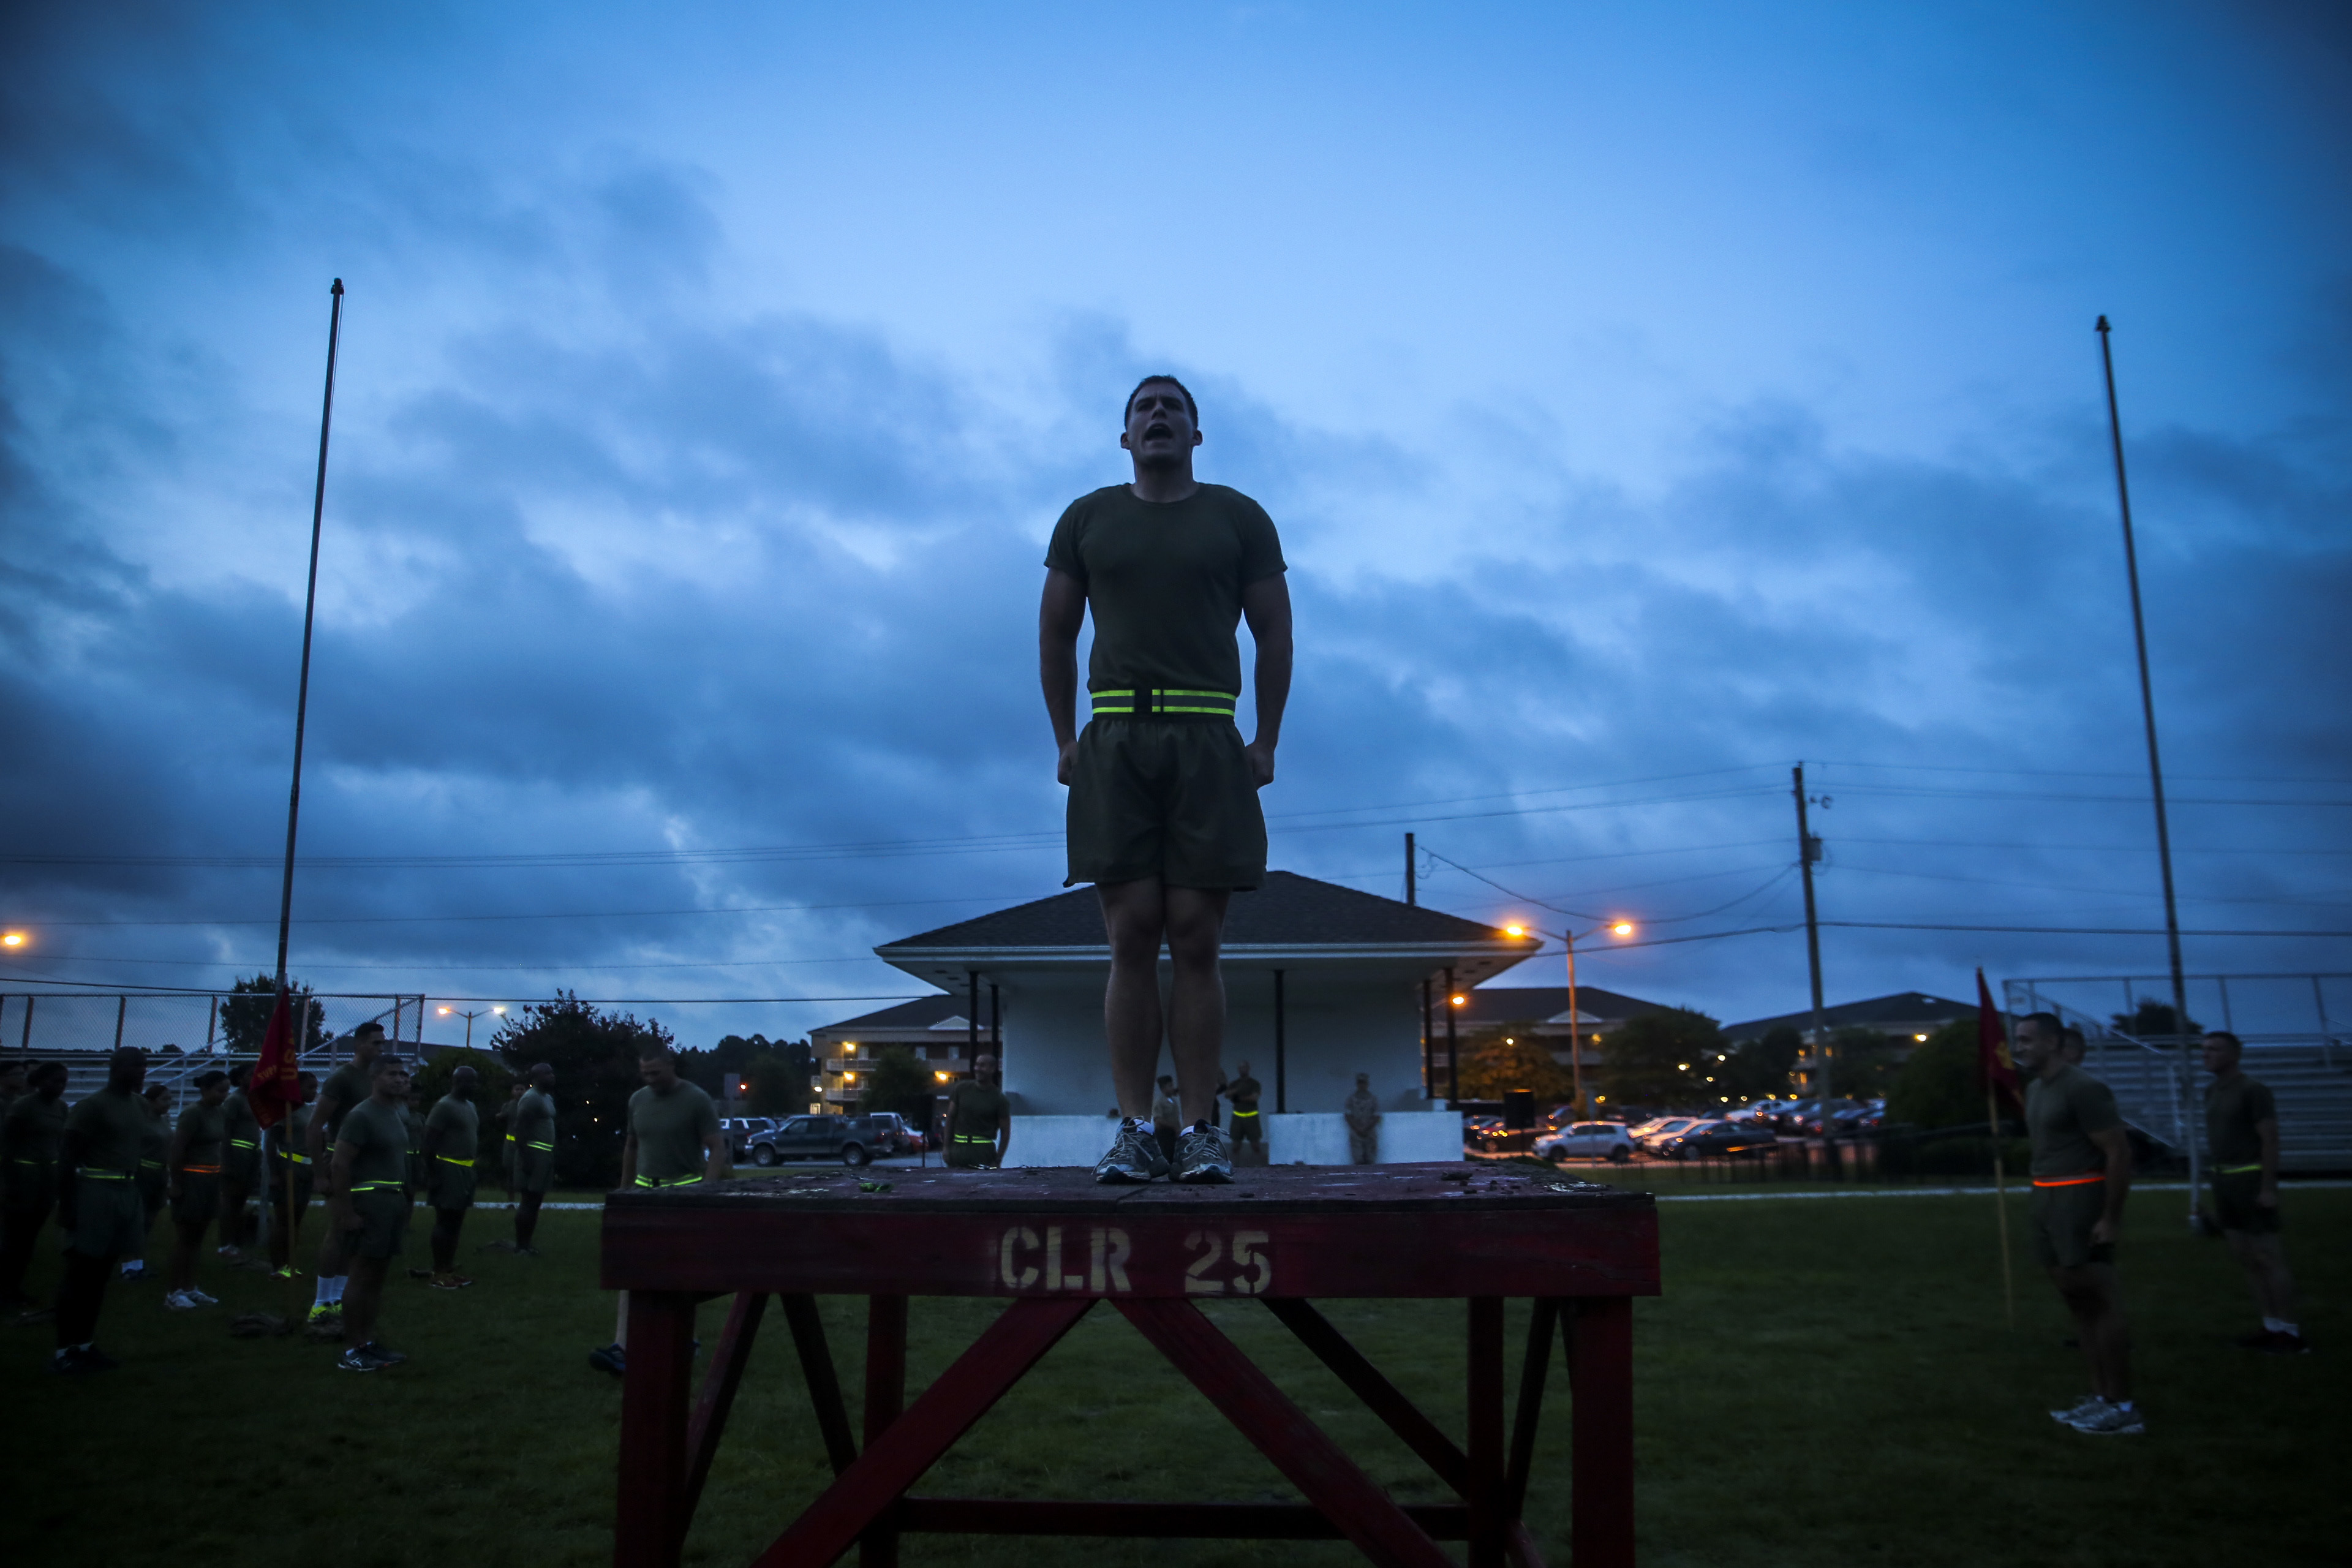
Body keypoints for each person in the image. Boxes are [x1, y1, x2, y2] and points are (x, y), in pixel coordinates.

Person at [1039, 374, 1291, 1187]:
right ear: (1125, 438)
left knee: (1198, 936)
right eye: (1143, 408)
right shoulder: (1087, 517)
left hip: (1207, 737)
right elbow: (1054, 631)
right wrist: (1065, 737)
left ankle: (1200, 1129)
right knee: (1130, 933)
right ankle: (1136, 1128)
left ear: (1195, 434)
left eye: (1173, 408)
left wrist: (1266, 740)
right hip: (1114, 734)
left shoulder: (1238, 517)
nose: (1158, 416)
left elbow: (1275, 631)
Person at [2013, 1011, 2139, 1435]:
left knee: (2100, 1300)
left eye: (2028, 1040)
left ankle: (2122, 1405)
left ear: (2053, 1042)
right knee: (2077, 1303)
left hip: (2080, 1198)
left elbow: (2118, 1152)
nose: (2020, 1047)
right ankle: (2099, 1395)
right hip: (2046, 1197)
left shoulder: (2084, 1088)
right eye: (2018, 1039)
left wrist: (2110, 1217)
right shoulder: (2034, 1089)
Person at [590, 1041, 728, 1375]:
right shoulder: (637, 1101)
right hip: (643, 1196)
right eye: (644, 1074)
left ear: (671, 1067)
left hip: (683, 1197)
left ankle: (686, 1339)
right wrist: (624, 1190)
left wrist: (705, 1193)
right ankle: (622, 1346)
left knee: (680, 1272)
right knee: (630, 1271)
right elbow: (632, 1146)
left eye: (655, 1073)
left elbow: (717, 1148)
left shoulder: (696, 1099)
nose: (650, 1079)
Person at [2202, 1030, 2304, 1353]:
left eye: (2214, 1049)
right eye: (2204, 1049)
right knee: (2246, 1257)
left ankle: (2290, 1331)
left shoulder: (2253, 1090)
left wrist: (2268, 1187)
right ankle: (2270, 1324)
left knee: (2267, 1256)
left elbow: (2269, 1139)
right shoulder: (2212, 1091)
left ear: (2234, 1055)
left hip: (2250, 1179)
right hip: (2224, 1181)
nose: (2206, 1054)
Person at [51, 1046, 150, 1373]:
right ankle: (63, 1351)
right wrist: (67, 1206)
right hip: (95, 1191)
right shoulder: (92, 1106)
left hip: (126, 1189)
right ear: (115, 1068)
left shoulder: (140, 1105)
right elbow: (67, 1158)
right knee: (80, 1274)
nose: (141, 1073)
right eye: (135, 1067)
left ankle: (85, 1344)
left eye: (144, 1067)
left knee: (101, 1276)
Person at [328, 1052, 416, 1372]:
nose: (399, 1079)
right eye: (391, 1074)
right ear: (375, 1078)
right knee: (361, 1275)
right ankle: (352, 1349)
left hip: (391, 1200)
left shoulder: (394, 1113)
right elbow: (340, 1164)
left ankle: (368, 1342)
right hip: (368, 1200)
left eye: (402, 1074)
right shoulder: (361, 1115)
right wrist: (346, 1213)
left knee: (377, 1278)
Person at [306, 1020, 386, 1328]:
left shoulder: (374, 1079)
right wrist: (319, 1174)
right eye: (375, 1044)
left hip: (368, 1168)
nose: (381, 1049)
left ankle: (339, 1298)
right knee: (339, 1232)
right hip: (343, 1165)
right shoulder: (342, 1078)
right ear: (359, 1045)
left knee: (356, 1236)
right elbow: (315, 1126)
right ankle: (321, 1302)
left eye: (383, 1044)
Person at [0, 1061, 69, 1311]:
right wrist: (10, 1181)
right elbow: (7, 1146)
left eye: (63, 1082)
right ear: (40, 1082)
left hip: (46, 1181)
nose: (59, 1087)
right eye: (55, 1081)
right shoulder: (23, 1106)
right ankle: (5, 1290)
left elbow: (61, 1144)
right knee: (13, 1239)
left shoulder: (61, 1108)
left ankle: (14, 1288)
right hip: (22, 1180)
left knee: (29, 1239)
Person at [163, 1069, 230, 1310]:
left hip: (211, 1179)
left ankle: (190, 1287)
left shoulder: (219, 1113)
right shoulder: (192, 1114)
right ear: (205, 1089)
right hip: (192, 1179)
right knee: (185, 1238)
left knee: (199, 1238)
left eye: (226, 1091)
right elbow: (177, 1148)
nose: (224, 1095)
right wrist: (177, 1182)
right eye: (219, 1090)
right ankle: (174, 1291)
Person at [417, 1065, 481, 1289]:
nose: (472, 1086)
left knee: (456, 1222)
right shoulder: (444, 1106)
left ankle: (448, 1268)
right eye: (467, 1081)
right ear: (455, 1082)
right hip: (448, 1169)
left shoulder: (470, 1106)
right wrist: (433, 1173)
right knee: (445, 1221)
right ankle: (439, 1271)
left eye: (474, 1082)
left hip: (466, 1170)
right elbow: (429, 1142)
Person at [265, 1072, 318, 1279]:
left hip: (306, 1169)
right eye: (309, 1088)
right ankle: (278, 1266)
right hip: (289, 1167)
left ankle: (290, 1263)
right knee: (284, 1220)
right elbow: (271, 1142)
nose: (314, 1092)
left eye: (315, 1088)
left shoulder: (308, 1110)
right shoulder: (285, 1110)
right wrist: (275, 1174)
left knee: (296, 1221)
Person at [123, 1082, 172, 1281]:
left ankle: (138, 1263)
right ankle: (128, 1266)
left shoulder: (164, 1121)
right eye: (164, 1099)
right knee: (135, 1220)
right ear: (151, 1101)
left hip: (160, 1174)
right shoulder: (140, 1121)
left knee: (149, 1220)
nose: (169, 1104)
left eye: (170, 1099)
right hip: (143, 1173)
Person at [510, 1062, 557, 1255]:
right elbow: (520, 1129)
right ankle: (521, 1246)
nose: (552, 1076)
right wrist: (526, 1158)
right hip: (533, 1154)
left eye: (552, 1073)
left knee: (536, 1201)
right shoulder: (531, 1099)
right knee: (528, 1201)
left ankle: (527, 1245)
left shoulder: (547, 1098)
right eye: (548, 1073)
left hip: (545, 1154)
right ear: (536, 1078)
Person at [218, 1061, 261, 1257]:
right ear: (241, 1078)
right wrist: (225, 1161)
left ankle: (236, 1240)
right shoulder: (234, 1101)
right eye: (251, 1074)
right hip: (236, 1156)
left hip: (251, 1156)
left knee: (241, 1200)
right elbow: (225, 1130)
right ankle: (225, 1243)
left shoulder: (254, 1099)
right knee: (230, 1201)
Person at [946, 1054, 1013, 1169]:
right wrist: (946, 1148)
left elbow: (1005, 1132)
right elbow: (950, 1118)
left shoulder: (999, 1099)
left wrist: (998, 1160)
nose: (977, 1069)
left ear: (992, 1069)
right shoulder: (961, 1089)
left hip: (983, 1153)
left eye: (982, 1066)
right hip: (958, 1150)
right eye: (976, 1065)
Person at [1219, 1061, 1264, 1154]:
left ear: (1248, 1068)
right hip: (1238, 1117)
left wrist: (1239, 1098)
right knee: (1235, 1146)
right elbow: (1227, 1094)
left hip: (1252, 1117)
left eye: (1244, 1067)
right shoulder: (1235, 1083)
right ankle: (1235, 1167)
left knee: (1255, 1145)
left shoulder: (1254, 1084)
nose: (1242, 1069)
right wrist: (1237, 1090)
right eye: (1240, 1068)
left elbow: (1254, 1098)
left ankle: (1259, 1166)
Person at [494, 1079, 526, 1196]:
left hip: (525, 1144)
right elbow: (501, 1121)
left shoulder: (528, 1104)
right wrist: (500, 1117)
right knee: (510, 1172)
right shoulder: (508, 1105)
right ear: (513, 1092)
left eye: (522, 1089)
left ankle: (525, 1199)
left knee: (525, 1172)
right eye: (517, 1089)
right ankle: (511, 1201)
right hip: (510, 1144)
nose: (519, 1092)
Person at [1344, 1074, 1381, 1164]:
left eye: (1363, 1083)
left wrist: (1366, 1128)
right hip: (1356, 1131)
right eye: (1360, 1083)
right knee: (1358, 1160)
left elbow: (1377, 1116)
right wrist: (1358, 1129)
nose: (1362, 1085)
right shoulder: (1351, 1099)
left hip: (1370, 1131)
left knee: (1371, 1160)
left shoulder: (1373, 1099)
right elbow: (1348, 1115)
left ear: (1367, 1084)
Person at [1149, 1076, 1182, 1167]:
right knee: (1166, 1156)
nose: (1173, 1088)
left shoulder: (1173, 1101)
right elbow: (1158, 1120)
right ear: (1163, 1088)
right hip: (1164, 1133)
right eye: (1170, 1086)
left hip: (1173, 1133)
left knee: (1173, 1156)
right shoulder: (1160, 1101)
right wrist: (1174, 1127)